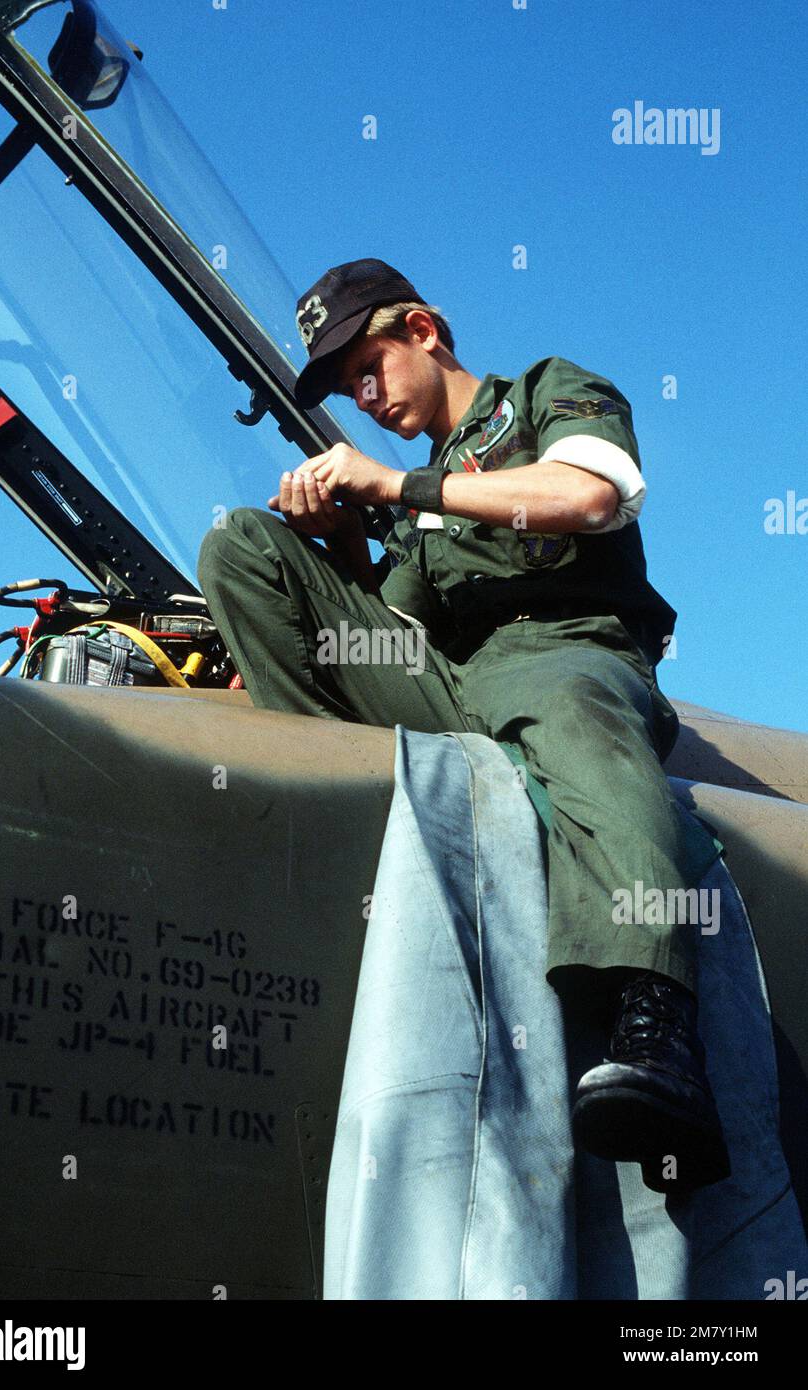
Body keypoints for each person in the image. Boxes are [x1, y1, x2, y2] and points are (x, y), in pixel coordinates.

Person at [197, 257, 730, 1193]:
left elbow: (591, 498)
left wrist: (398, 490)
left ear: (424, 331)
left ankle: (655, 1019)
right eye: (344, 386)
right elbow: (390, 641)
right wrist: (344, 542)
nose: (362, 398)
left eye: (368, 367)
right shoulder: (416, 504)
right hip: (450, 682)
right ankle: (330, 821)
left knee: (566, 708)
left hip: (568, 646)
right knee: (239, 545)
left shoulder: (544, 394)